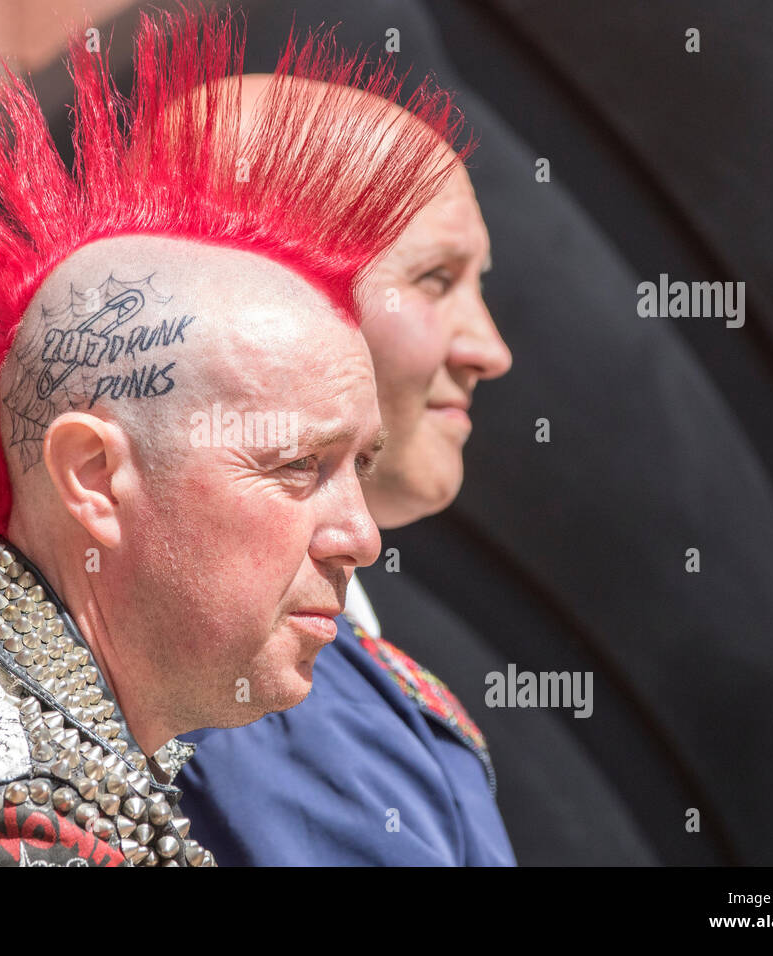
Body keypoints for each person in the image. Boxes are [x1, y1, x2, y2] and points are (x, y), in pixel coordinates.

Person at [0, 9, 462, 867]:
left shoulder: (38, 738)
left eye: (359, 465)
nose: (361, 538)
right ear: (93, 475)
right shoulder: (7, 818)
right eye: (298, 466)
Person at [176, 74, 517, 866]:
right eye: (436, 279)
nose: (490, 350)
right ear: (271, 304)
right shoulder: (248, 682)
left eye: (478, 283)